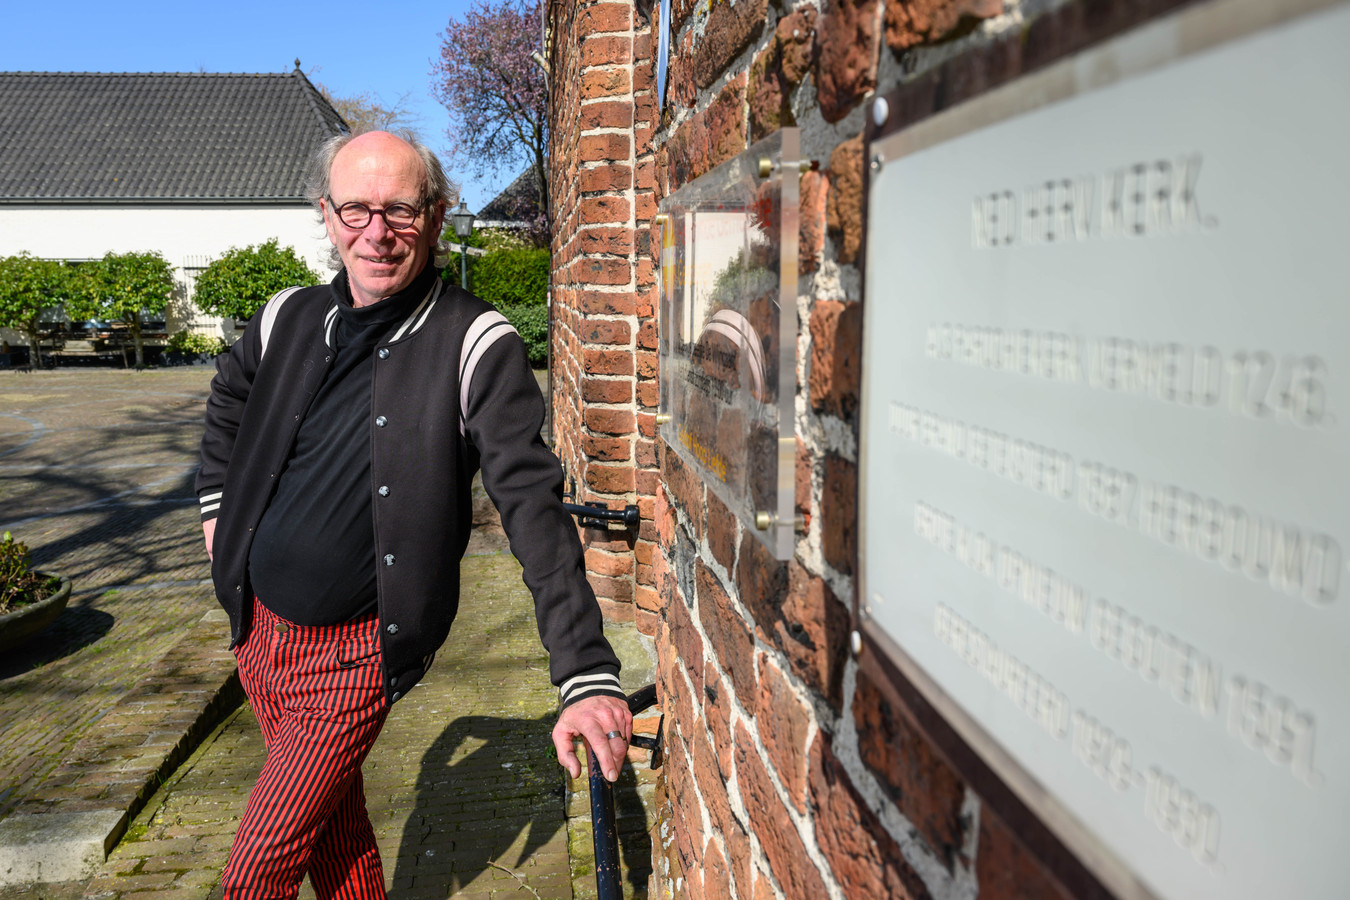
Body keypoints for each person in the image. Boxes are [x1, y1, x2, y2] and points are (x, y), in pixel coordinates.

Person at [196, 130, 632, 899]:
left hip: (355, 655)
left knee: (257, 865)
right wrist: (217, 514)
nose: (376, 232)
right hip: (257, 630)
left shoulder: (474, 340)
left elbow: (531, 505)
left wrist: (585, 670)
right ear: (325, 214)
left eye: (398, 209)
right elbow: (229, 399)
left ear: (434, 216)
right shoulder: (286, 317)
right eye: (355, 209)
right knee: (333, 835)